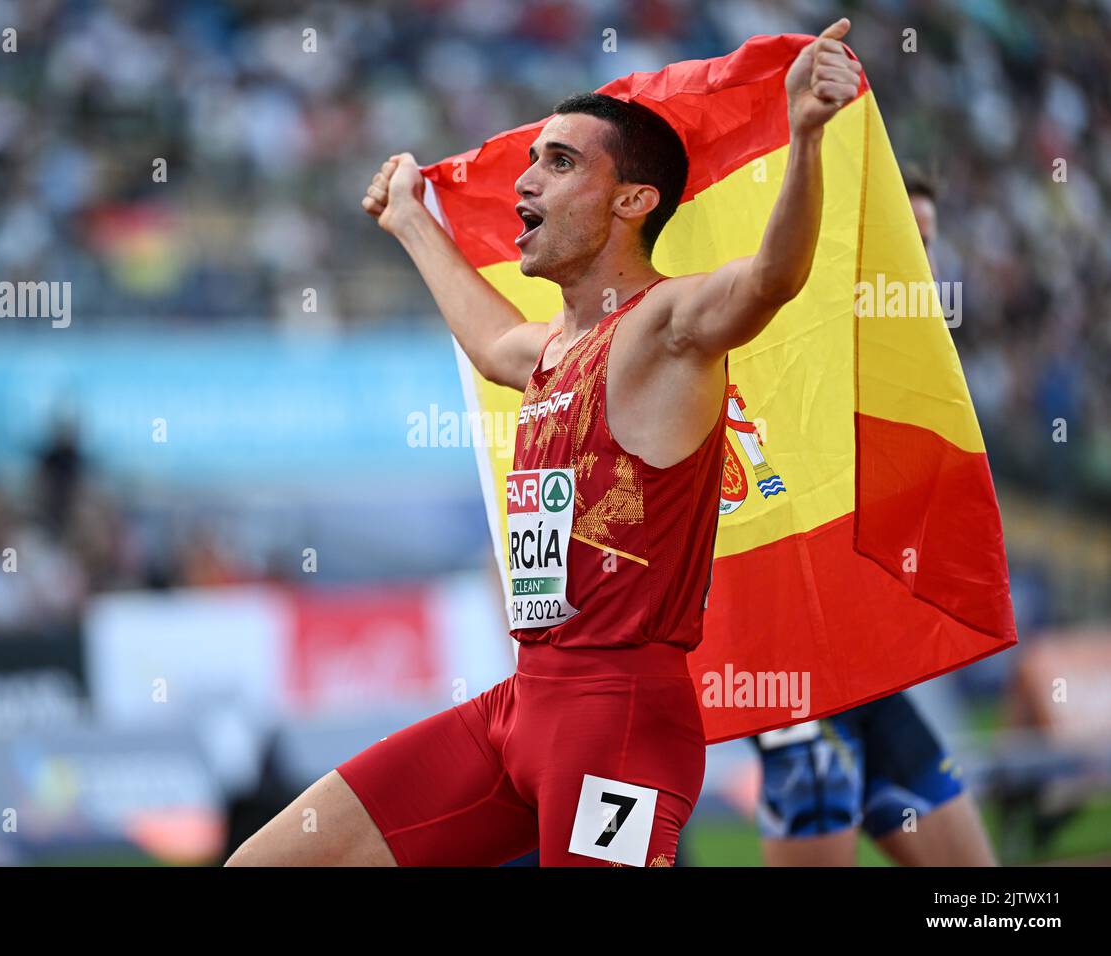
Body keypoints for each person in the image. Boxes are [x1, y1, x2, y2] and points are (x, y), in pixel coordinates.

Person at [227, 19, 864, 867]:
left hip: (622, 726)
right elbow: (493, 347)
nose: (526, 180)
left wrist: (806, 137)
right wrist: (414, 222)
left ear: (633, 201)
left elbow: (772, 279)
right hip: (521, 706)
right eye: (534, 160)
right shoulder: (551, 350)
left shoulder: (663, 328)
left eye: (559, 162)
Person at [752, 170, 996, 867]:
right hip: (795, 681)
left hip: (872, 680)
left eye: (930, 241)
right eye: (906, 236)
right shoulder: (804, 336)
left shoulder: (914, 363)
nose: (921, 258)